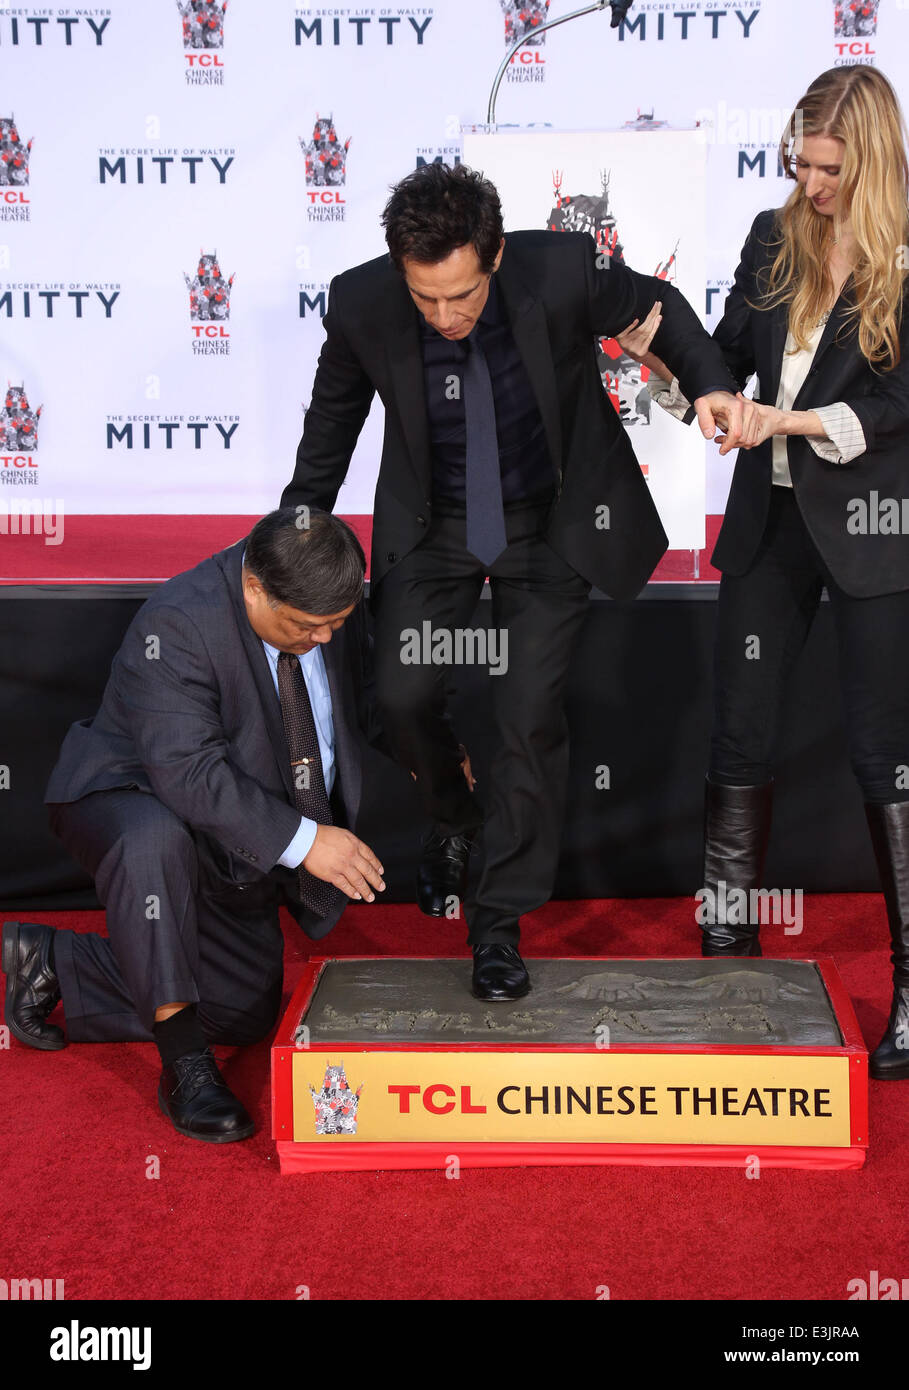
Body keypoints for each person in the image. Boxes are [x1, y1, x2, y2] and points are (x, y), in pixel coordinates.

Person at [281, 162, 745, 1002]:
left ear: (493, 258)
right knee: (399, 696)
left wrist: (710, 382)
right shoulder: (361, 305)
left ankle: (495, 925)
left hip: (553, 522)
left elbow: (657, 312)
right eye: (425, 298)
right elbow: (330, 433)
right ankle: (455, 821)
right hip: (435, 527)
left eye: (459, 295)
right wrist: (288, 542)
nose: (443, 316)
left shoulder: (560, 270)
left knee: (528, 718)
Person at [623, 65, 909, 1080]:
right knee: (738, 729)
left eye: (831, 167)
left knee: (887, 755)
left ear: (870, 161)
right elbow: (735, 352)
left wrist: (781, 420)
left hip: (876, 528)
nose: (813, 181)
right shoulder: (771, 236)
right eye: (803, 160)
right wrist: (700, 385)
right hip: (771, 522)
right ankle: (727, 954)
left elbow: (890, 411)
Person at [2, 508, 391, 1141]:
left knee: (242, 1008)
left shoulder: (321, 598)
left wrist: (443, 753)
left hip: (227, 824)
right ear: (255, 587)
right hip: (126, 788)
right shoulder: (179, 623)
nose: (324, 640)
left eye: (336, 625)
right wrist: (305, 840)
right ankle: (186, 1068)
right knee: (152, 836)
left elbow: (366, 702)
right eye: (306, 627)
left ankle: (50, 958)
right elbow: (188, 770)